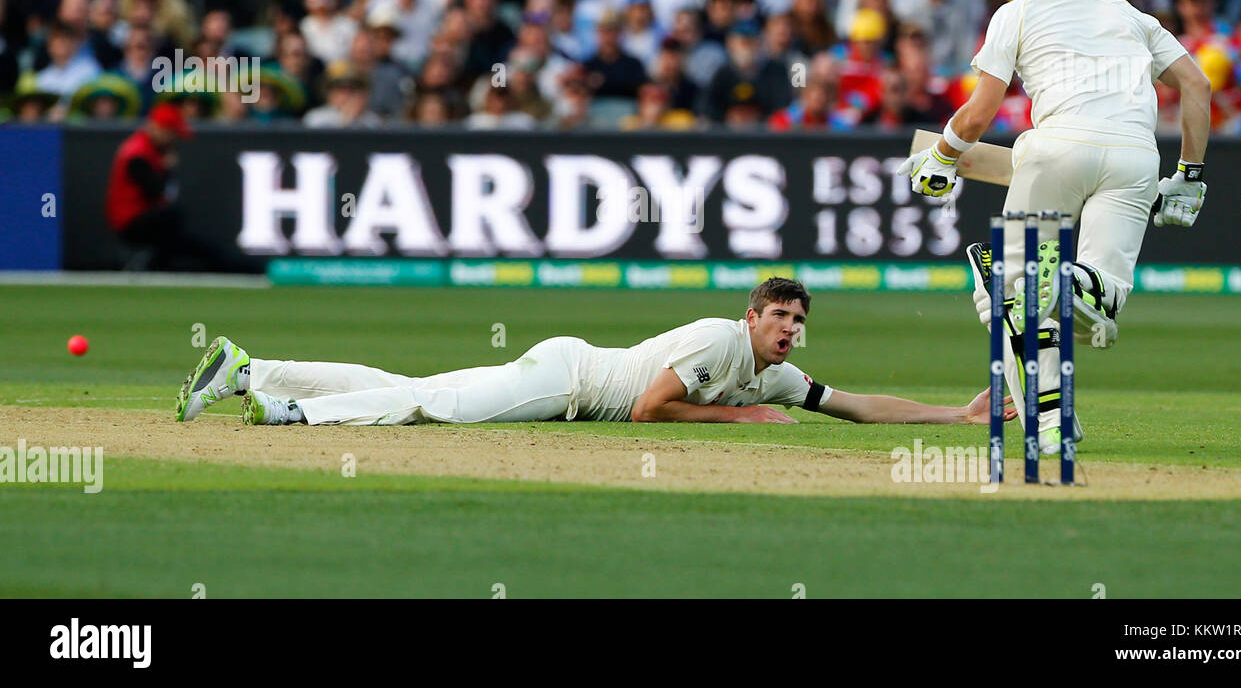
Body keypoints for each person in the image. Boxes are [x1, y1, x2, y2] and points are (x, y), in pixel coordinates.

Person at [898, 0, 1211, 454]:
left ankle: (1049, 414)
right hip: (1136, 158)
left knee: (1012, 294)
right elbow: (1197, 85)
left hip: (1054, 152)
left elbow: (978, 114)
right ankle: (1076, 289)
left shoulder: (1015, 13)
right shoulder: (1131, 14)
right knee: (1102, 300)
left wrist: (943, 156)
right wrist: (1189, 177)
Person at [175, 277, 1013, 427]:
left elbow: (854, 402)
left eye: (798, 321)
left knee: (411, 384)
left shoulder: (780, 371)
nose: (790, 331)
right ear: (752, 315)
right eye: (780, 317)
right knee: (431, 404)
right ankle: (292, 411)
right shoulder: (725, 341)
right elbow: (650, 407)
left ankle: (249, 370)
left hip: (565, 371)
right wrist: (742, 415)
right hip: (568, 378)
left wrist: (954, 409)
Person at [105, 102, 258, 272]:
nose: (175, 139)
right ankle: (155, 265)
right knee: (173, 218)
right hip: (131, 223)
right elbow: (154, 191)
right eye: (172, 134)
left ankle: (238, 266)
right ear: (160, 129)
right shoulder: (137, 154)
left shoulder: (144, 149)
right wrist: (166, 169)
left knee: (194, 245)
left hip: (142, 219)